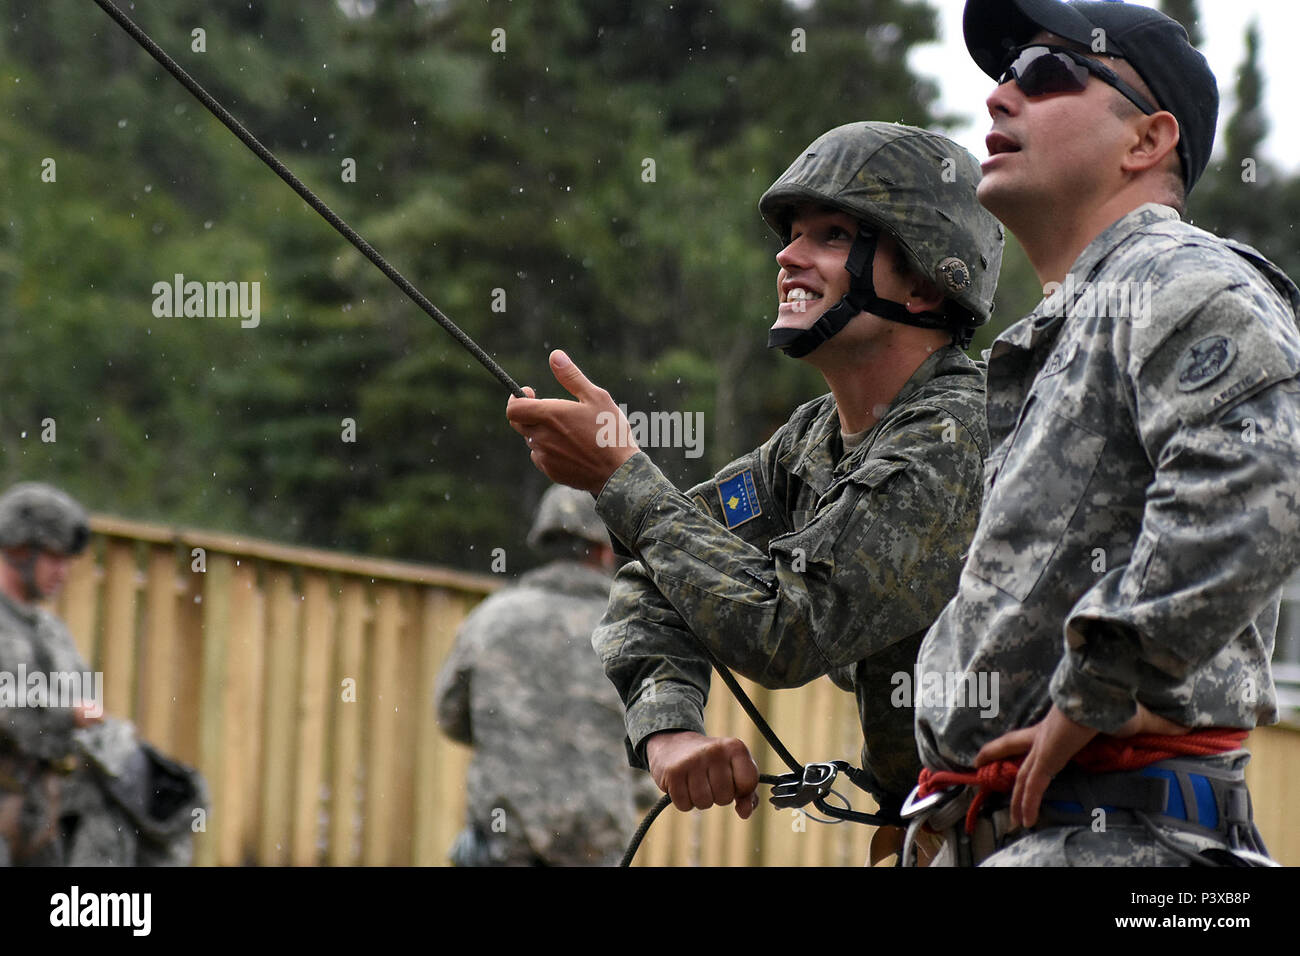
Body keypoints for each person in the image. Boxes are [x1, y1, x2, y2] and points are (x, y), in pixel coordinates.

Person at [505, 121, 1004, 854]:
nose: (788, 256)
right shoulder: (810, 443)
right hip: (938, 839)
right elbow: (659, 573)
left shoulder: (955, 441)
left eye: (831, 236)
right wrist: (669, 728)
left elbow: (791, 629)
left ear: (927, 283)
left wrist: (620, 476)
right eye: (792, 233)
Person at [909, 0, 1300, 866]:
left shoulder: (1179, 273)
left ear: (1146, 141)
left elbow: (1266, 475)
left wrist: (1100, 685)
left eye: (1045, 75)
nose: (999, 99)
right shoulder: (1063, 334)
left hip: (1129, 838)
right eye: (1001, 76)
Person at [434, 484, 652, 866]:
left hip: (503, 846)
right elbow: (656, 742)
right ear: (605, 549)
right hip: (594, 848)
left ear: (544, 543)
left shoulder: (491, 618)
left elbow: (451, 718)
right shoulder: (634, 629)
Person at [0, 482, 205, 866]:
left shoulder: (53, 632)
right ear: (18, 550)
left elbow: (85, 710)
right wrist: (64, 717)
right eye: (54, 557)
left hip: (44, 816)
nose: (63, 571)